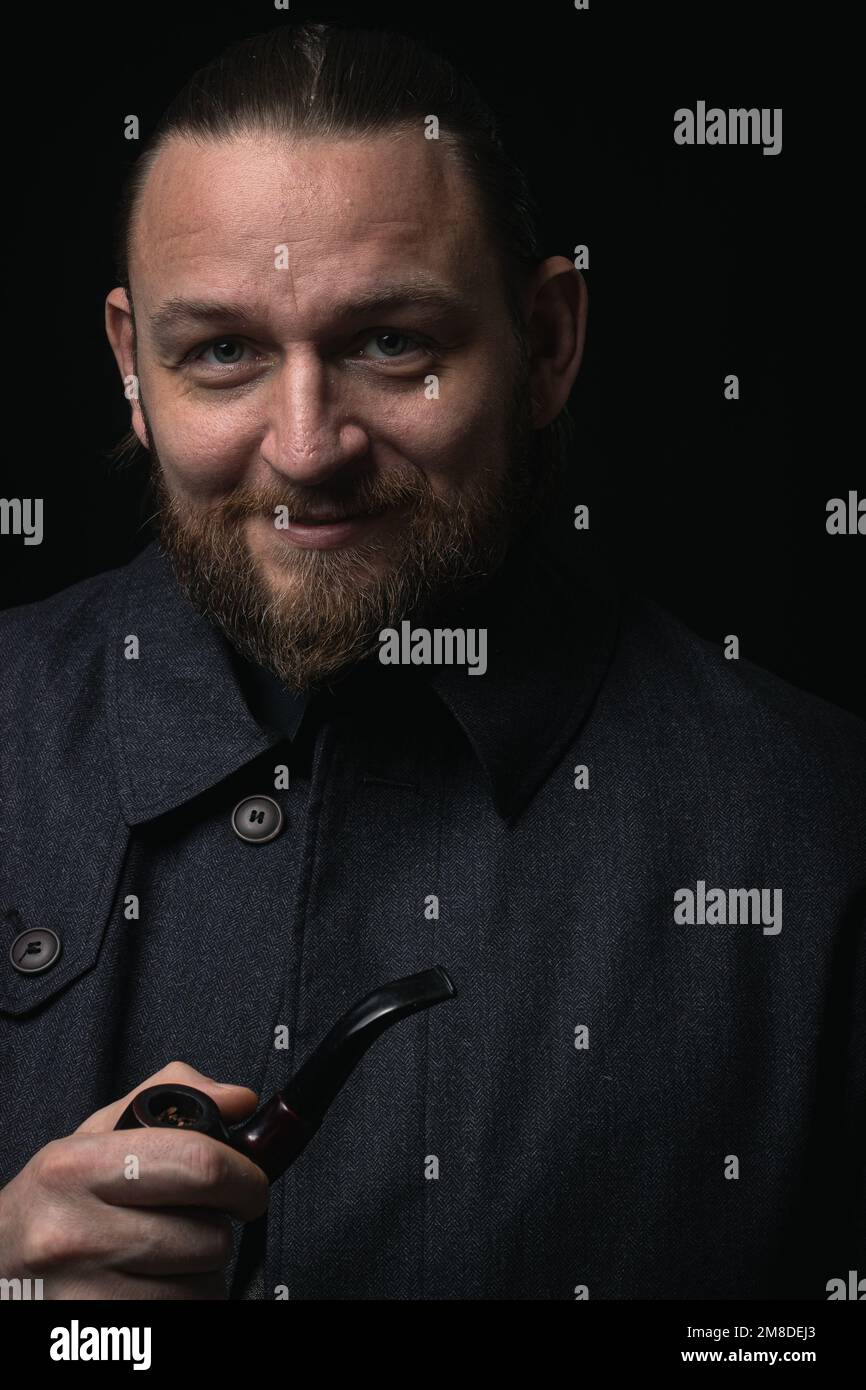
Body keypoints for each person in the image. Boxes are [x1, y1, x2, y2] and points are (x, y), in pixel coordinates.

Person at [0, 21, 863, 1301]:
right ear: (134, 367)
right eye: (222, 352)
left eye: (391, 343)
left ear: (547, 343)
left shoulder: (819, 835)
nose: (306, 450)